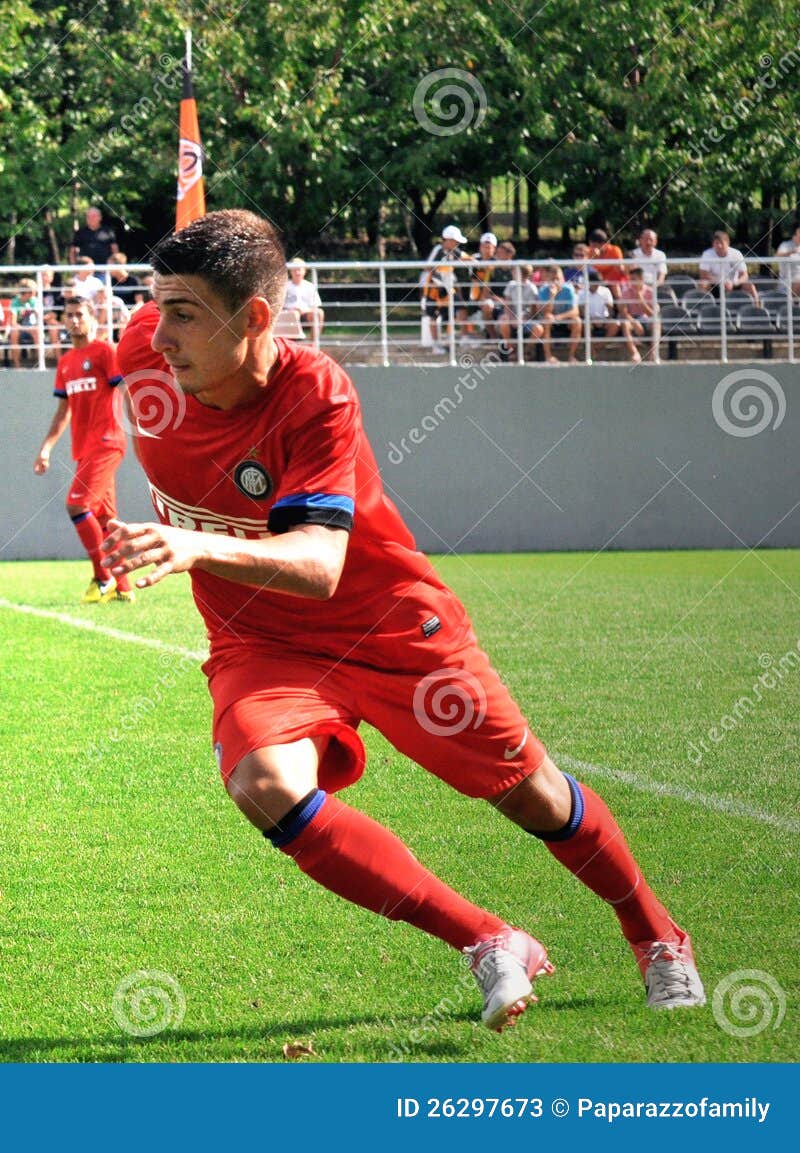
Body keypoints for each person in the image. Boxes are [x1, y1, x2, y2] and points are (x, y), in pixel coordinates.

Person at [107, 209, 705, 1030]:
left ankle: (656, 933)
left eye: (184, 314)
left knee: (531, 796)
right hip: (261, 641)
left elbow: (319, 565)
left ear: (253, 319)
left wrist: (192, 542)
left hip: (391, 630)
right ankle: (489, 940)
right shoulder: (143, 348)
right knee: (264, 784)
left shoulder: (315, 392)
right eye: (158, 305)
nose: (160, 333)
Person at [33, 296, 133, 604]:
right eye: (69, 315)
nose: (74, 320)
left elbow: (126, 389)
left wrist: (141, 429)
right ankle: (124, 588)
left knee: (77, 505)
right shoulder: (65, 363)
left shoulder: (105, 351)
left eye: (80, 315)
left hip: (108, 442)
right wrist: (46, 448)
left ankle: (102, 578)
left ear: (93, 319)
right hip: (85, 449)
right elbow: (64, 412)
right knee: (105, 521)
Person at [420, 225, 467, 352]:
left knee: (461, 307)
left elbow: (465, 256)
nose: (457, 244)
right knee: (433, 315)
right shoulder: (438, 250)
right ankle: (436, 345)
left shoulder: (453, 251)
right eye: (455, 241)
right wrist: (439, 276)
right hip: (433, 289)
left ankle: (464, 338)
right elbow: (427, 268)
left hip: (447, 289)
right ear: (448, 240)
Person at [697, 230, 760, 303]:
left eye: (721, 243)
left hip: (734, 284)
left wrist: (734, 283)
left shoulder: (736, 254)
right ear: (713, 244)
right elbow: (703, 275)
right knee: (702, 285)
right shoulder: (707, 254)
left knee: (750, 286)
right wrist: (721, 281)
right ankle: (705, 311)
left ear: (728, 243)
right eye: (716, 243)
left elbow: (744, 275)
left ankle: (757, 309)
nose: (719, 246)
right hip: (714, 284)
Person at [616, 267, 657, 363]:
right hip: (632, 319)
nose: (631, 283)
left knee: (657, 322)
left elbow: (653, 314)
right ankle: (635, 353)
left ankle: (654, 353)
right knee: (625, 324)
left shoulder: (650, 292)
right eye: (630, 280)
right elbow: (623, 312)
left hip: (646, 319)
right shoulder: (626, 292)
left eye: (634, 280)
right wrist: (634, 322)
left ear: (641, 279)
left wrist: (640, 299)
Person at [543, 262, 582, 363]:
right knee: (546, 319)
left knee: (577, 321)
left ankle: (571, 356)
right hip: (550, 322)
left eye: (558, 279)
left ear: (562, 279)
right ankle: (548, 357)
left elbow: (575, 311)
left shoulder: (568, 289)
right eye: (553, 279)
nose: (556, 281)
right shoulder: (543, 290)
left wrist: (558, 318)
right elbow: (545, 312)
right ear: (548, 279)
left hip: (564, 320)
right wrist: (552, 297)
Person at [281, 258, 324, 343]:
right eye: (294, 270)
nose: (297, 272)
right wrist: (293, 311)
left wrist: (303, 310)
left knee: (319, 313)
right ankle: (292, 343)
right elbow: (280, 305)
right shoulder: (285, 286)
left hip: (306, 313)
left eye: (299, 269)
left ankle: (314, 343)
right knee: (294, 313)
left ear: (304, 271)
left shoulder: (310, 286)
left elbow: (315, 305)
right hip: (288, 314)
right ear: (290, 271)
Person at [9, 278, 45, 366]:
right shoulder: (15, 302)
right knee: (14, 332)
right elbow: (13, 322)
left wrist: (36, 312)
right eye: (32, 292)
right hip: (20, 329)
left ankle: (40, 364)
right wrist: (26, 329)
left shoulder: (35, 301)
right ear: (25, 292)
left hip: (33, 328)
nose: (34, 294)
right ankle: (17, 365)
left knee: (37, 331)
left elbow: (40, 320)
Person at [774, 224, 800, 298]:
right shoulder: (785, 245)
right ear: (794, 235)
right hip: (787, 282)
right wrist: (792, 251)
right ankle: (795, 307)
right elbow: (777, 256)